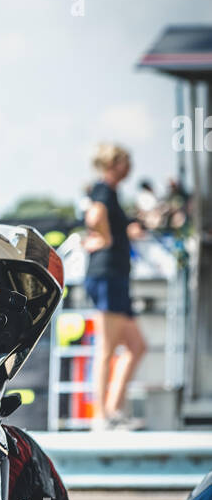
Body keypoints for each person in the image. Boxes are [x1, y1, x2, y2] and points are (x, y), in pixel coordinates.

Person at [83, 143, 147, 429]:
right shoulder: (103, 189)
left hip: (116, 277)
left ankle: (113, 409)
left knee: (136, 346)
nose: (130, 166)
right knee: (107, 349)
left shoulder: (111, 193)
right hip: (107, 275)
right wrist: (106, 238)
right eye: (126, 161)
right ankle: (102, 415)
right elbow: (94, 217)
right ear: (114, 163)